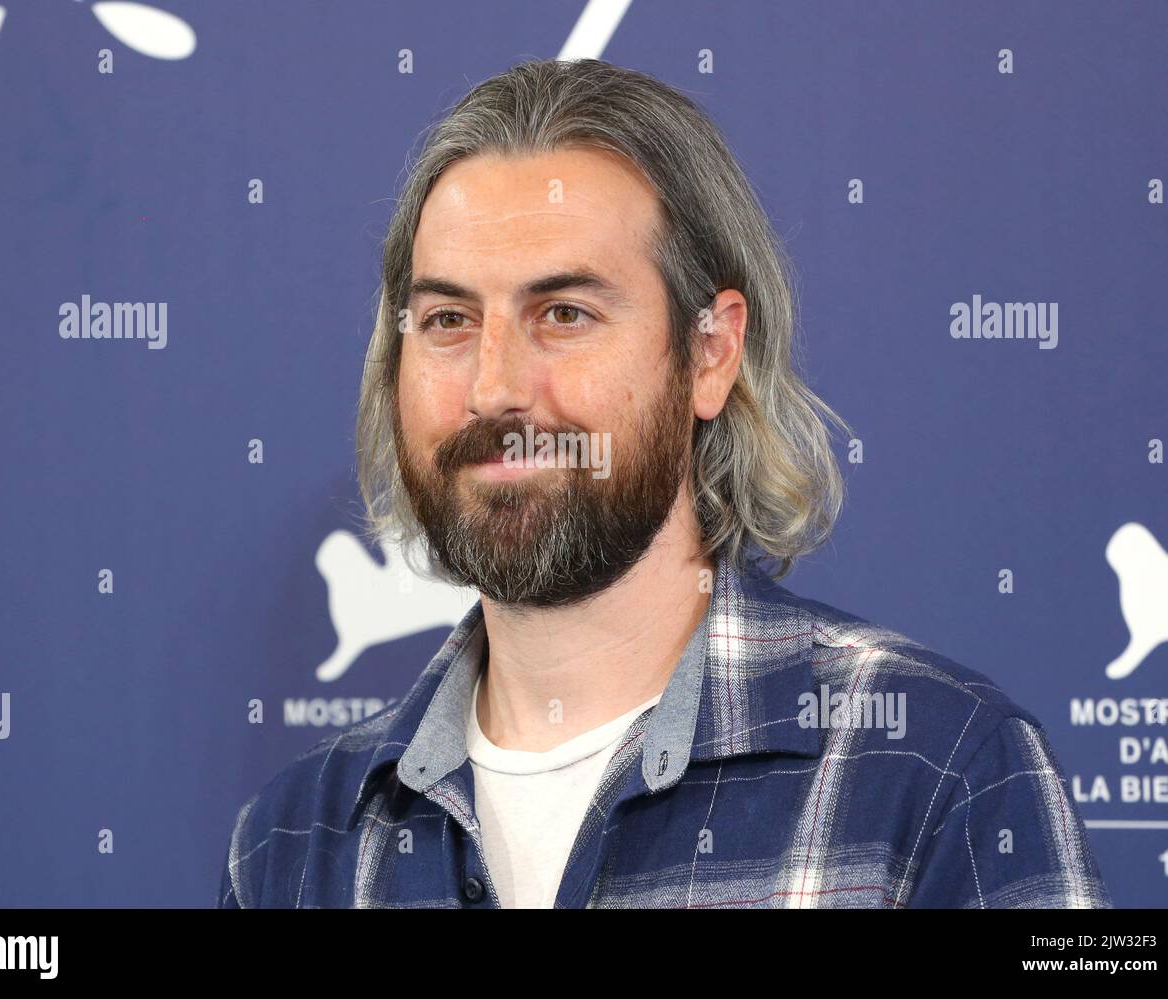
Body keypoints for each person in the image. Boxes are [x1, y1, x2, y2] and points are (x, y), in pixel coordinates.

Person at [219, 58, 1111, 909]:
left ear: (710, 353)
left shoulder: (936, 773)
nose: (493, 386)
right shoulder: (298, 844)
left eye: (564, 314)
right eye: (448, 319)